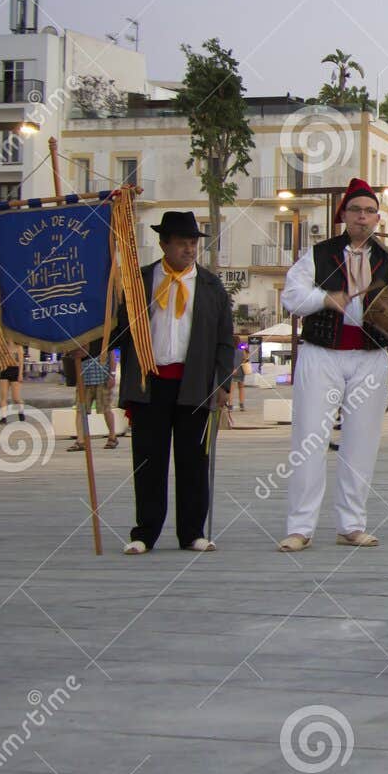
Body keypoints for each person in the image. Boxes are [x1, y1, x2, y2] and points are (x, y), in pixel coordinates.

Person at [278, 179, 388, 552]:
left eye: (370, 211)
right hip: (322, 352)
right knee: (309, 438)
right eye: (356, 210)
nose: (363, 217)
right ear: (344, 215)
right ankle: (300, 527)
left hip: (370, 355)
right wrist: (326, 298)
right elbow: (292, 295)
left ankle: (351, 524)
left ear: (377, 218)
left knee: (362, 440)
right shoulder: (319, 254)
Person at [111, 212, 236, 554]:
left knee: (194, 461)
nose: (189, 249)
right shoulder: (140, 281)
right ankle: (145, 532)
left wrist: (223, 383)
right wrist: (89, 345)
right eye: (182, 243)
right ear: (164, 244)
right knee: (148, 461)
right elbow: (119, 330)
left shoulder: (211, 286)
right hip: (149, 385)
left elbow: (225, 338)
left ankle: (192, 532)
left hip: (195, 385)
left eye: (193, 243)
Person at [67, 344, 119, 451]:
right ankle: (80, 440)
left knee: (106, 409)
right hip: (84, 380)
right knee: (80, 410)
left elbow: (112, 357)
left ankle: (112, 436)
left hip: (102, 379)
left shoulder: (105, 339)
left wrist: (112, 375)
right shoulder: (81, 338)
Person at [0, 345, 26, 421]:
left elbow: (21, 362)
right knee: (3, 397)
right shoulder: (2, 346)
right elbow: (0, 361)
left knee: (15, 398)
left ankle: (21, 411)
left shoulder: (18, 347)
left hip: (15, 370)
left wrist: (20, 374)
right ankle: (3, 417)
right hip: (4, 370)